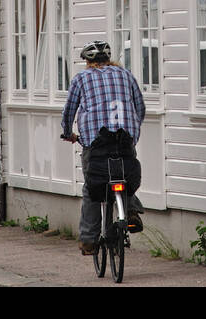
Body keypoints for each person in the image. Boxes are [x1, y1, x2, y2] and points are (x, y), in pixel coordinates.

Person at [60, 40, 145, 255]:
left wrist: (68, 132)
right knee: (123, 174)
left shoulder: (81, 78)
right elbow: (140, 107)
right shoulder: (126, 75)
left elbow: (69, 110)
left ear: (88, 62)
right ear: (109, 59)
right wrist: (133, 130)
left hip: (95, 141)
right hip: (125, 138)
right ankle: (132, 211)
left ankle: (89, 241)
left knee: (92, 187)